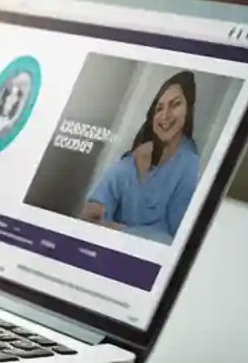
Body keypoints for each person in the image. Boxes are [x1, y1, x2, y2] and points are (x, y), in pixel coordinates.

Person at [79, 71, 202, 243]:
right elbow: (89, 216)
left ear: (189, 110)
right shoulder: (128, 164)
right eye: (159, 108)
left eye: (175, 105)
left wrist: (116, 229)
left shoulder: (191, 165)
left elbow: (174, 240)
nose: (165, 115)